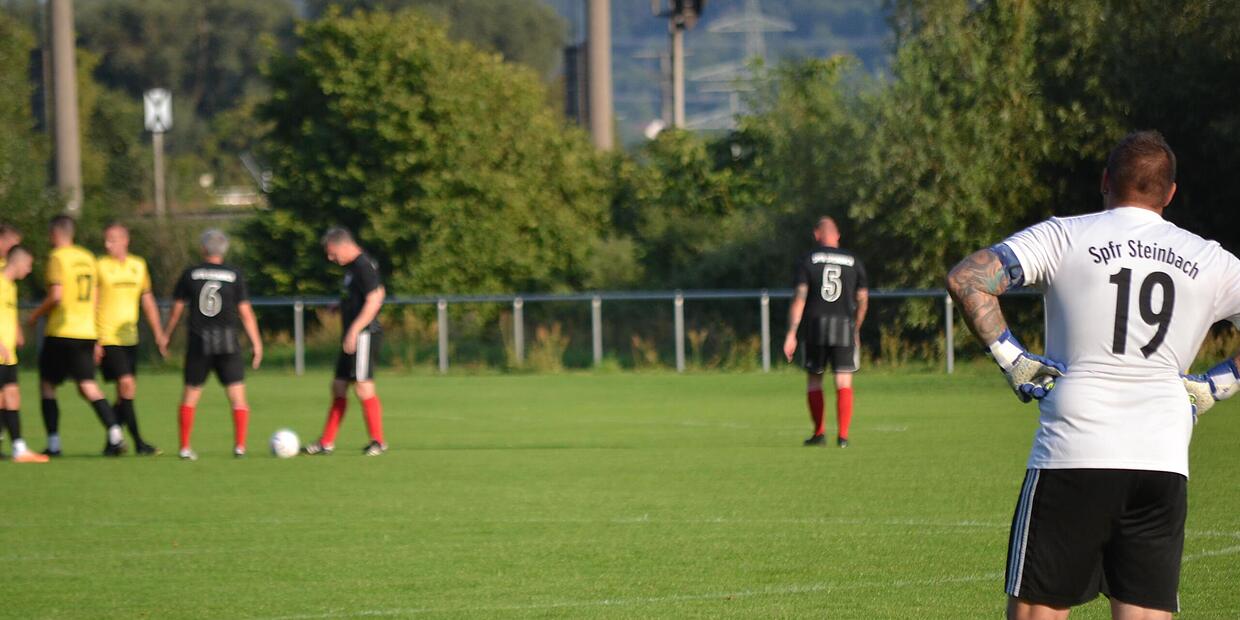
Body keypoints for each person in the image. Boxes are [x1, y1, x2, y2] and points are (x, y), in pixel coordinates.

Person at [945, 130, 1240, 620]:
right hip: (1163, 455)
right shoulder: (1209, 258)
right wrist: (1216, 385)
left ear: (1105, 181)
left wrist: (1013, 358)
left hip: (1074, 449)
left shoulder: (1065, 234)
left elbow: (968, 278)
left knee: (1039, 611)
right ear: (1170, 193)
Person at [160, 229, 262, 461]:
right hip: (228, 342)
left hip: (199, 342)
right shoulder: (234, 274)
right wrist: (257, 343)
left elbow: (176, 309)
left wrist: (166, 335)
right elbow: (246, 313)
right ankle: (240, 447)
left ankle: (185, 448)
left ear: (203, 249)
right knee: (237, 397)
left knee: (190, 396)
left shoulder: (190, 273)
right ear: (224, 250)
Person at [28, 215, 125, 457]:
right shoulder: (88, 257)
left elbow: (56, 296)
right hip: (87, 332)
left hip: (62, 330)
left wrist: (35, 315)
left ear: (54, 233)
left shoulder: (57, 258)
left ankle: (53, 443)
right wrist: (97, 335)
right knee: (88, 385)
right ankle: (115, 433)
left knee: (48, 385)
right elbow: (95, 297)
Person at [782, 216, 869, 448]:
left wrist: (791, 333)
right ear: (837, 235)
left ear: (817, 234)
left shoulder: (808, 260)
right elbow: (862, 300)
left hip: (815, 326)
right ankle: (843, 437)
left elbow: (800, 298)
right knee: (843, 381)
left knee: (814, 380)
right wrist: (856, 328)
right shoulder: (854, 260)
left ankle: (819, 433)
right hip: (844, 326)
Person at [303, 228, 388, 456]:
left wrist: (355, 330)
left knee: (362, 385)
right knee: (339, 386)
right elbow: (370, 293)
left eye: (332, 253)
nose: (331, 259)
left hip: (365, 334)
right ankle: (326, 442)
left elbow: (375, 299)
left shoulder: (363, 265)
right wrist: (339, 305)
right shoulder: (353, 268)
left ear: (343, 245)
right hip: (353, 334)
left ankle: (378, 441)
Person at [95, 222, 167, 455]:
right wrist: (94, 339)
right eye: (106, 240)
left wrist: (159, 333)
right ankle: (138, 442)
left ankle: (112, 443)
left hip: (130, 338)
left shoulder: (138, 265)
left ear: (125, 240)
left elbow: (147, 301)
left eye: (112, 240)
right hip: (107, 337)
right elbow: (93, 303)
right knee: (126, 385)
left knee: (125, 393)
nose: (108, 245)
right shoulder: (100, 266)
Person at [0, 246, 49, 463]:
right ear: (18, 263)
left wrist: (17, 334)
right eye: (28, 265)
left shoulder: (10, 287)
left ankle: (19, 449)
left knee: (11, 397)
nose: (29, 270)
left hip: (8, 354)